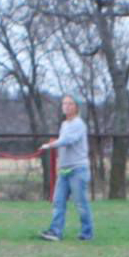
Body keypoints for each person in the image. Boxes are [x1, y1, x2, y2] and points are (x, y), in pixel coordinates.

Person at [36, 95, 94, 241]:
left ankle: (87, 233)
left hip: (78, 170)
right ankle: (55, 231)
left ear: (76, 107)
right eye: (64, 103)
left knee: (81, 204)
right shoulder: (64, 124)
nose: (66, 106)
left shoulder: (79, 124)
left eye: (70, 104)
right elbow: (63, 143)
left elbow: (68, 140)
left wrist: (50, 145)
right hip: (64, 170)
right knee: (58, 201)